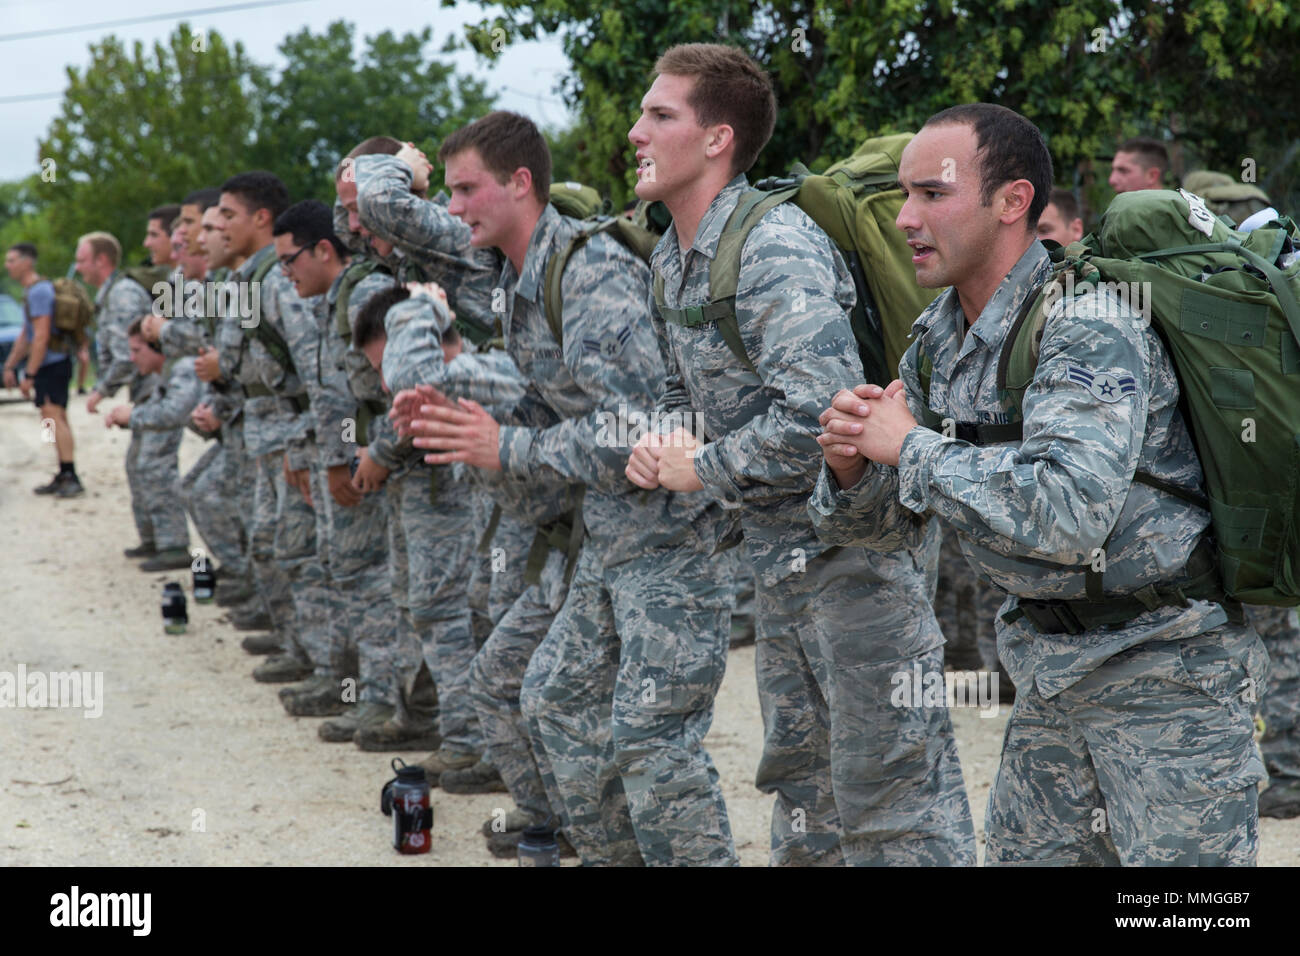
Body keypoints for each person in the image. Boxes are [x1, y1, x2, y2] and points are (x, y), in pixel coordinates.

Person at [810, 102, 1266, 866]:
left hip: (1166, 672)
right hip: (1048, 673)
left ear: (1013, 202)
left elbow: (1067, 512)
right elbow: (886, 531)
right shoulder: (937, 337)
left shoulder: (1087, 322)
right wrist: (853, 469)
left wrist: (911, 448)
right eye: (903, 196)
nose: (905, 220)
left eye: (932, 194)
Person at [623, 43, 973, 867]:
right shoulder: (671, 258)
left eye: (659, 114)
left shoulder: (772, 246)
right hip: (779, 564)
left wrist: (699, 469)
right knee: (804, 779)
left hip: (856, 558)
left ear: (717, 139)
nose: (636, 131)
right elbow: (687, 391)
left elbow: (829, 415)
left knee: (894, 790)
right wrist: (672, 435)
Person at [405, 109, 742, 867]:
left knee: (656, 743)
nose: (453, 210)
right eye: (449, 192)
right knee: (552, 698)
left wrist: (510, 444)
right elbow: (550, 401)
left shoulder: (586, 271)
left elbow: (635, 429)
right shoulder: (521, 279)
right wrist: (467, 418)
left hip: (671, 535)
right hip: (608, 536)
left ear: (521, 184)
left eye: (466, 190)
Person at [3, 243, 82, 497]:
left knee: (54, 417)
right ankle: (62, 469)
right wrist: (11, 364)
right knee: (51, 417)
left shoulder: (38, 292)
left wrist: (30, 374)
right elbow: (27, 334)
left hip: (52, 365)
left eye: (12, 260)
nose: (8, 265)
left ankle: (70, 474)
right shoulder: (31, 292)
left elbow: (41, 336)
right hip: (52, 365)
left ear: (28, 262)